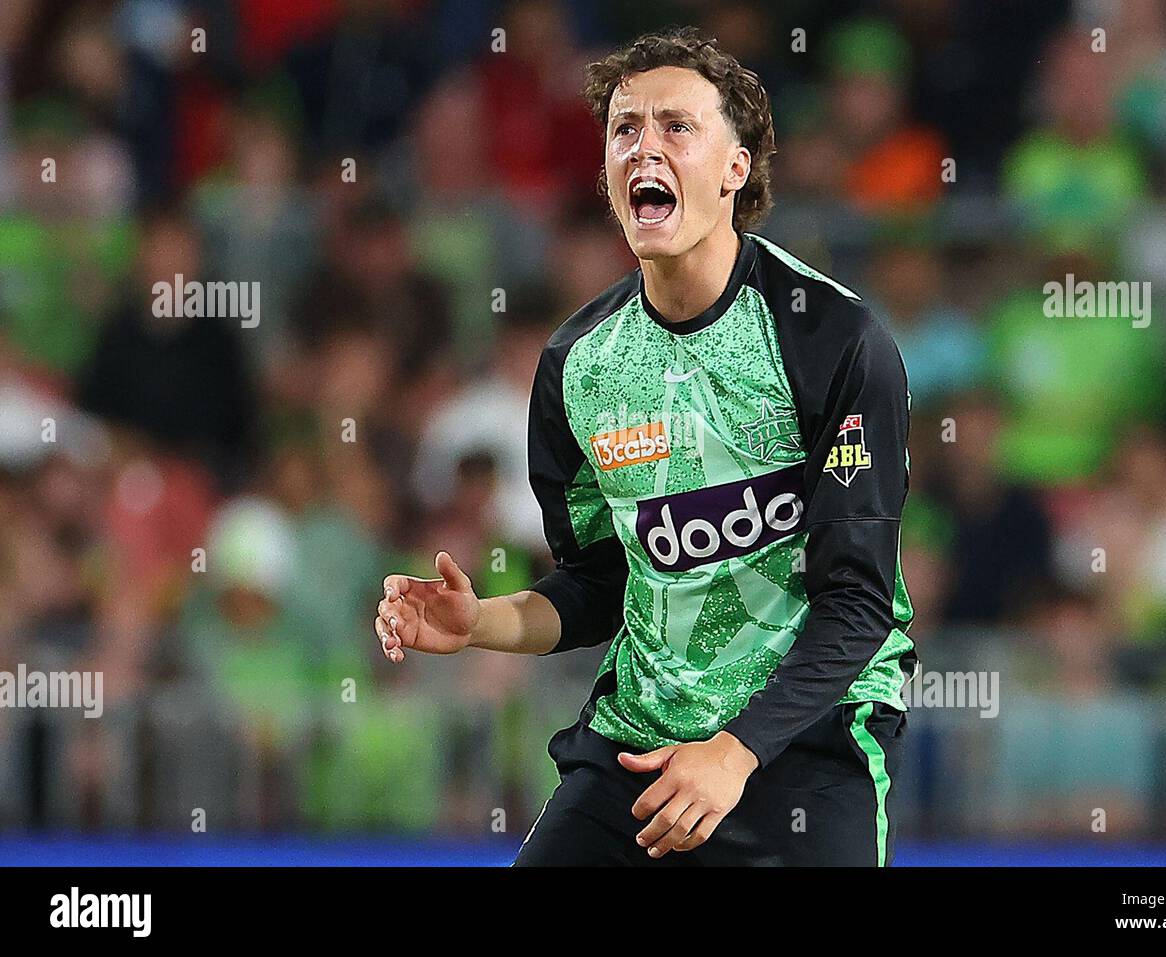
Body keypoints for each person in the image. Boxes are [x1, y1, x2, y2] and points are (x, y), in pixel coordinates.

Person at [374, 27, 915, 866]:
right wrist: (480, 620)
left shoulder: (833, 339)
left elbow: (858, 604)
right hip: (640, 742)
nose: (642, 148)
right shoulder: (577, 367)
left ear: (737, 169)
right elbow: (599, 582)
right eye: (625, 129)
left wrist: (734, 753)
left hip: (808, 738)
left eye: (676, 127)